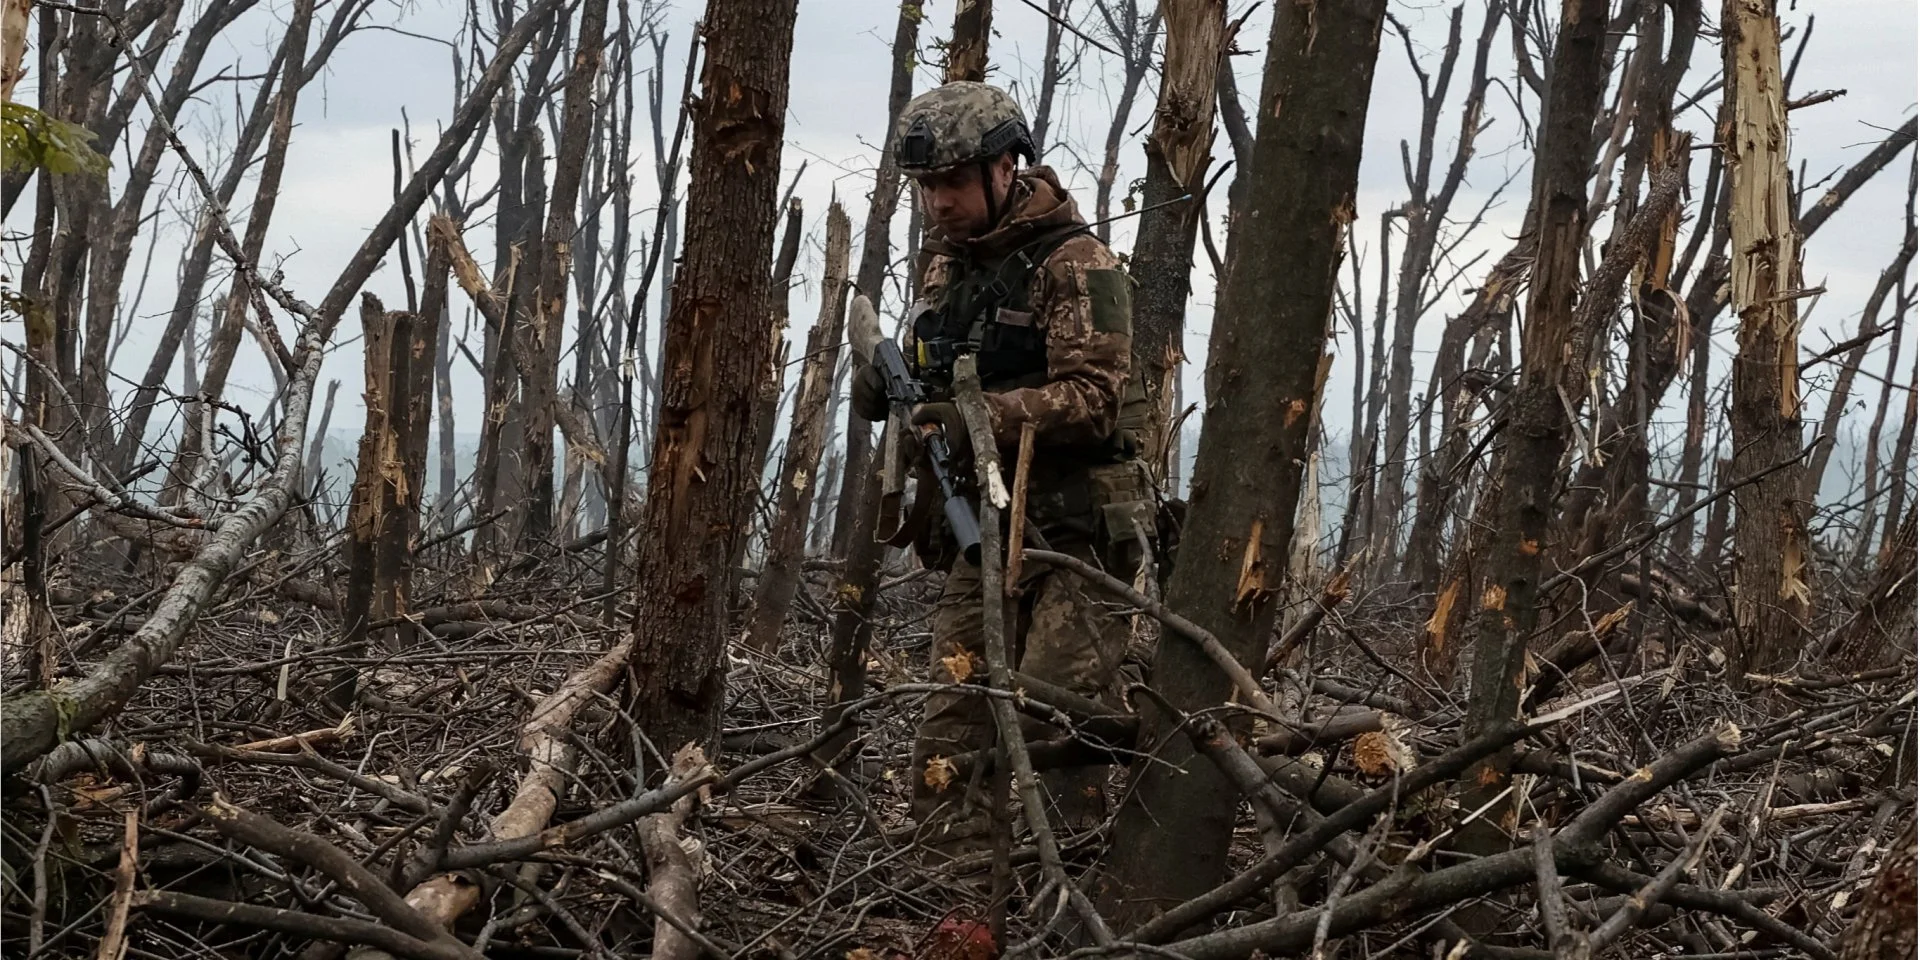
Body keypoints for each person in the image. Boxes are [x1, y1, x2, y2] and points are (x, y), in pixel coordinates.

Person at [850, 81, 1157, 863]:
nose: (937, 203)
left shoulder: (1078, 263)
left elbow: (1095, 399)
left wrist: (976, 415)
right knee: (955, 713)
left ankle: (1068, 895)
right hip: (984, 524)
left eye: (952, 182)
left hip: (1079, 530)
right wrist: (888, 387)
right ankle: (947, 891)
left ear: (1005, 169)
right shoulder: (945, 267)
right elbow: (926, 364)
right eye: (926, 187)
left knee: (1060, 717)